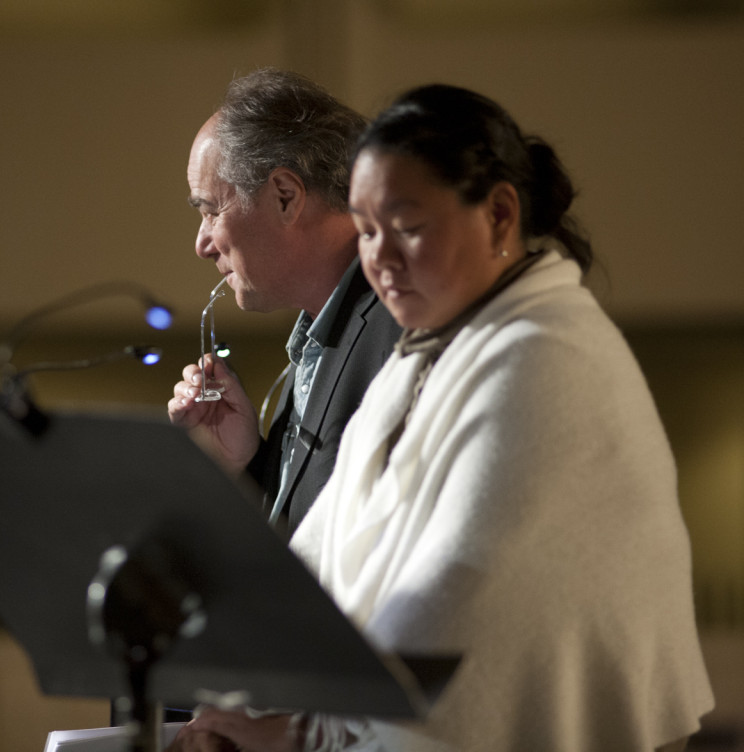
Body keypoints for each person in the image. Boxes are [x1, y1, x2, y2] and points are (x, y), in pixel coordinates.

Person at [171, 85, 714, 751]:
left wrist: (296, 728)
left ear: (498, 216)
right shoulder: (430, 346)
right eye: (368, 233)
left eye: (408, 227)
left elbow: (459, 596)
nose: (381, 262)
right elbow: (322, 551)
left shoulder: (545, 352)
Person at [169, 68, 401, 536]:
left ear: (285, 196)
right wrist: (248, 464)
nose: (202, 244)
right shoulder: (321, 335)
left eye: (212, 210)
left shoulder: (399, 330)